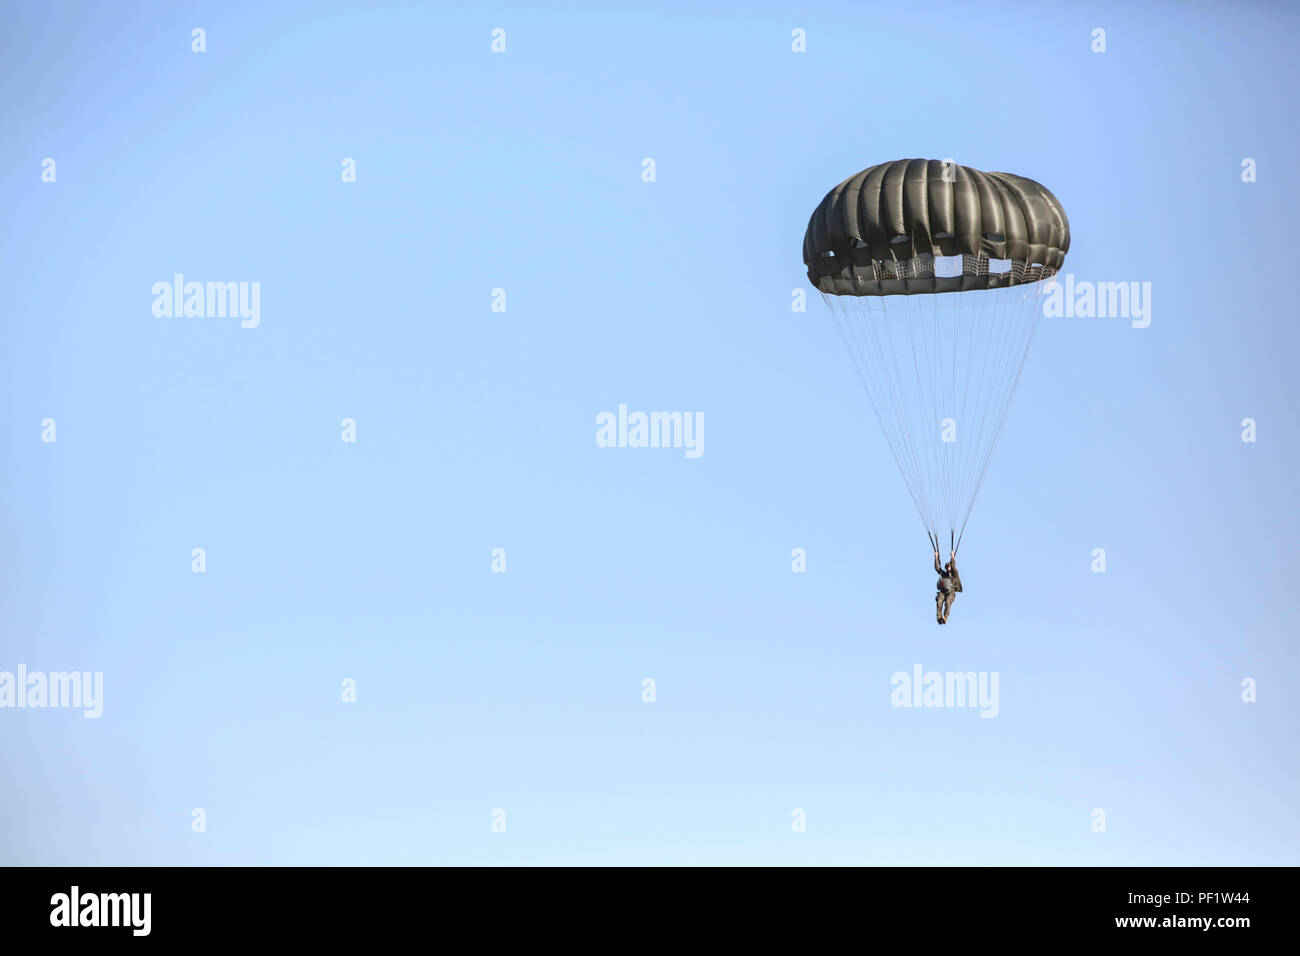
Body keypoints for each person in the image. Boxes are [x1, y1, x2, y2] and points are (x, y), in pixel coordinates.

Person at [934, 549, 962, 624]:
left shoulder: (954, 574)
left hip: (951, 592)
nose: (948, 568)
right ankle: (939, 617)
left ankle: (945, 617)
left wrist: (952, 557)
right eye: (947, 567)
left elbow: (953, 566)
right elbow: (937, 569)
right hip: (943, 591)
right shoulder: (944, 574)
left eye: (949, 567)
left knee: (947, 602)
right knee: (939, 601)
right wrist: (936, 558)